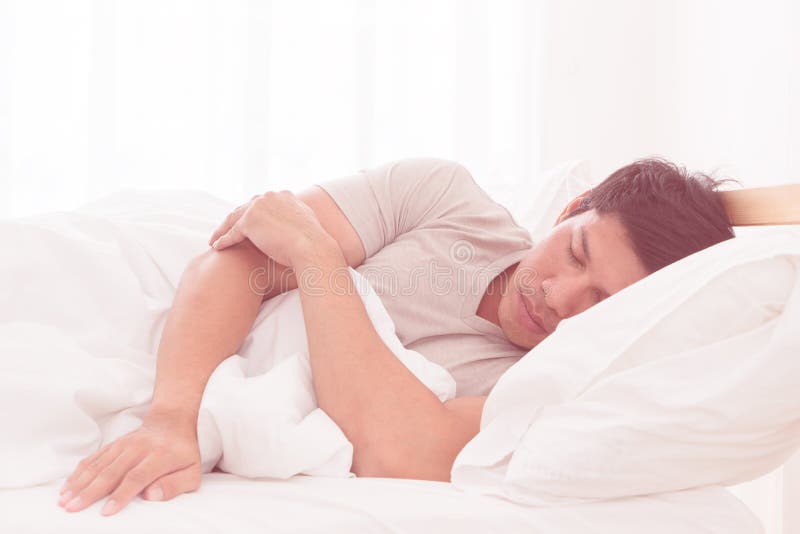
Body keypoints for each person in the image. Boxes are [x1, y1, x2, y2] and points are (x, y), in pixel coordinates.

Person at [57, 156, 737, 516]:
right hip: (164, 303)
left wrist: (320, 260)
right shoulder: (445, 197)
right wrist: (171, 417)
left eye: (601, 304)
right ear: (566, 211)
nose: (558, 299)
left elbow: (396, 450)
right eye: (577, 254)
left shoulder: (542, 390)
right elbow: (242, 258)